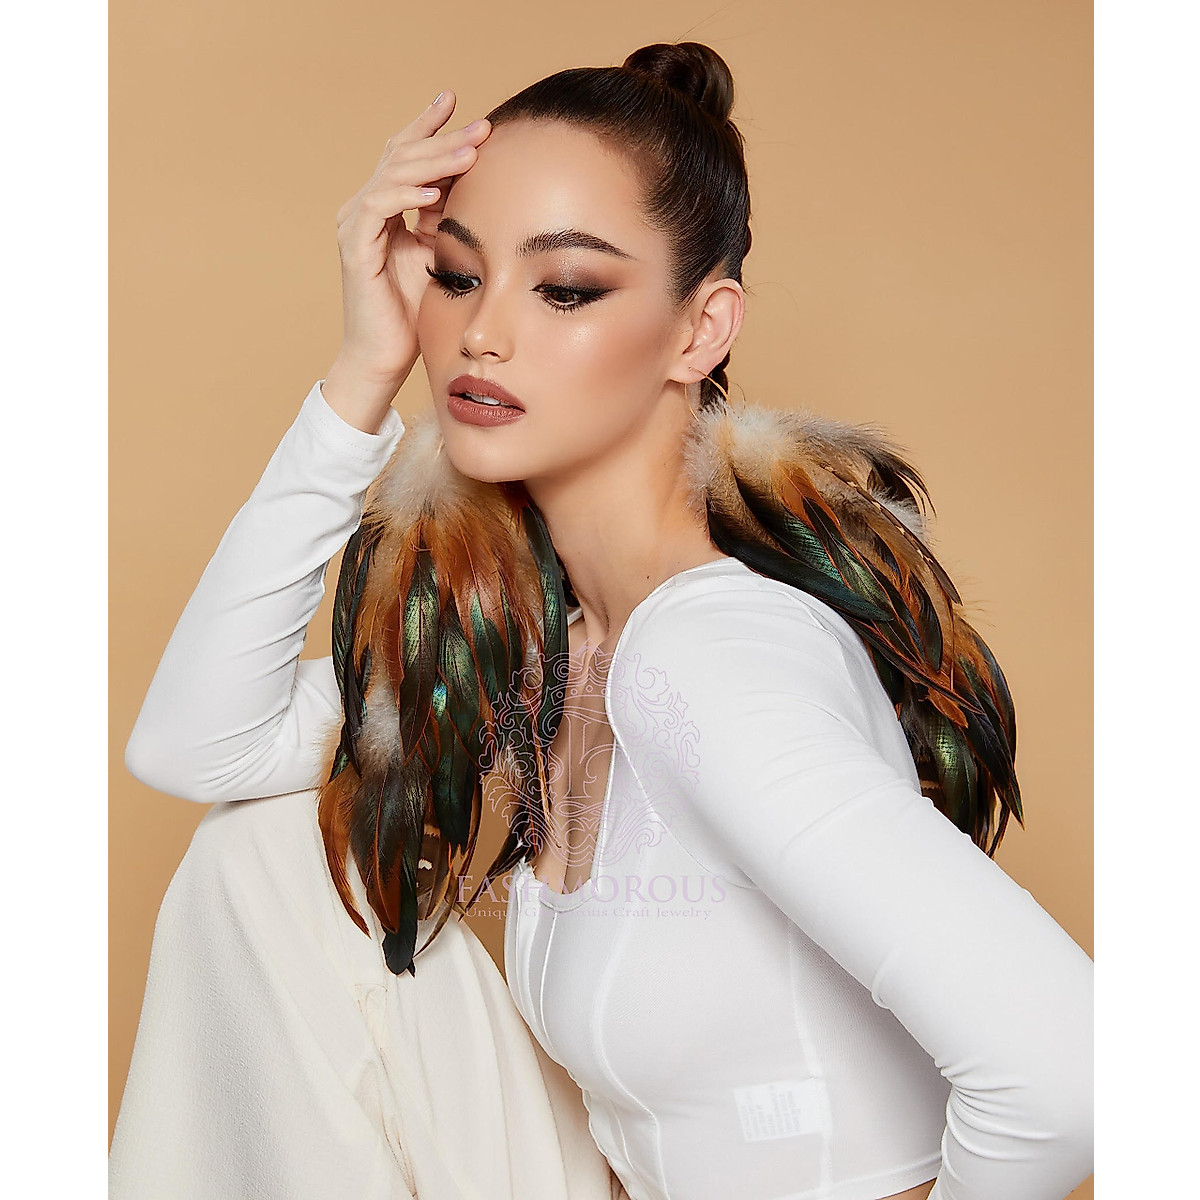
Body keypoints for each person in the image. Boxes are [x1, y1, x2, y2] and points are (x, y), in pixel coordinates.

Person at [112, 41, 1093, 1200]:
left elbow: (1065, 1073)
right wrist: (361, 374)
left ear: (700, 330)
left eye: (566, 289)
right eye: (458, 276)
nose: (483, 334)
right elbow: (197, 748)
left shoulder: (710, 653)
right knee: (264, 857)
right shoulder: (550, 642)